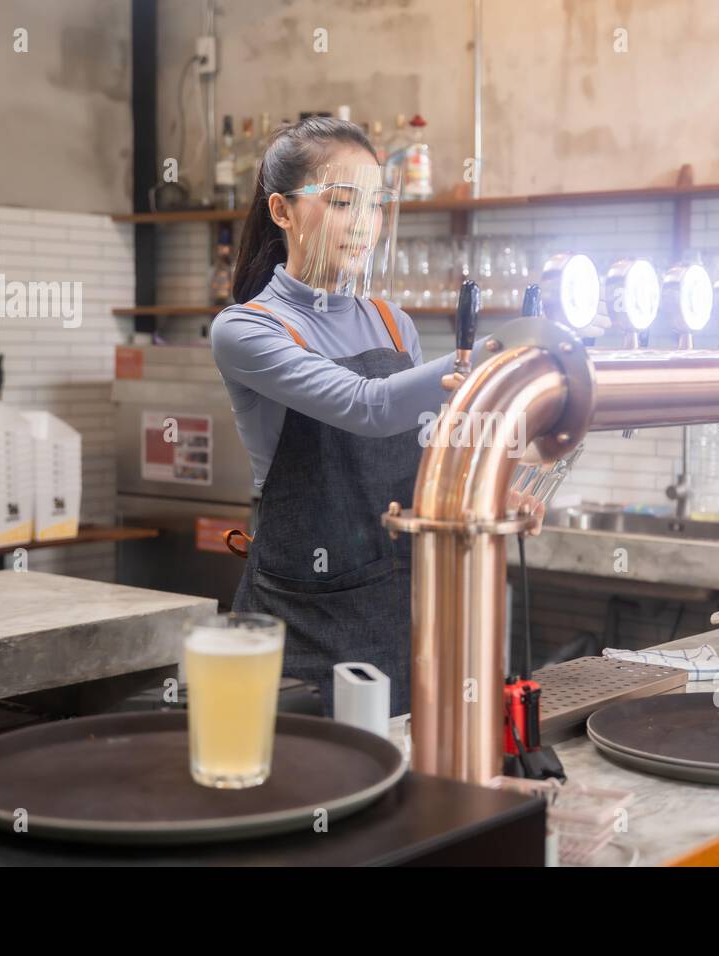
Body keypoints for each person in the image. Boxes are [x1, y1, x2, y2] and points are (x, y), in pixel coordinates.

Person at [210, 116, 466, 717]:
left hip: (400, 609)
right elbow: (366, 405)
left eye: (375, 206)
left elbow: (433, 444)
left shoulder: (391, 321)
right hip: (303, 621)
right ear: (282, 211)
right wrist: (495, 357)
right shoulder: (247, 328)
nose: (362, 225)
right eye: (342, 202)